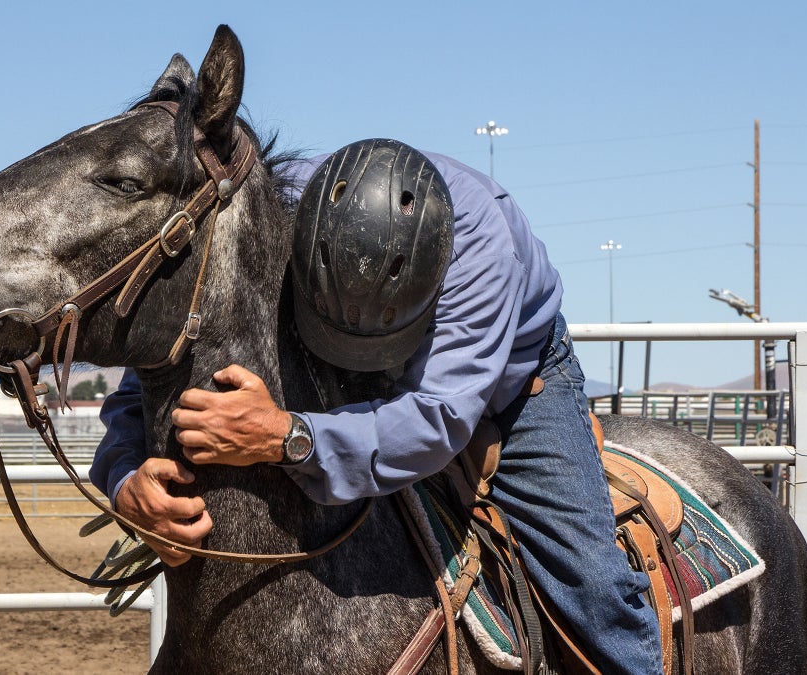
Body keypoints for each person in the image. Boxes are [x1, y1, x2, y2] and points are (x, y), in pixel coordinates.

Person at [90, 139, 662, 673]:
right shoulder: (283, 214)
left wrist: (286, 436)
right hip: (332, 344)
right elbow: (164, 363)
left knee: (592, 585)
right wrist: (122, 479)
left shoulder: (482, 245)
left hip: (511, 381)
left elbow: (441, 416)